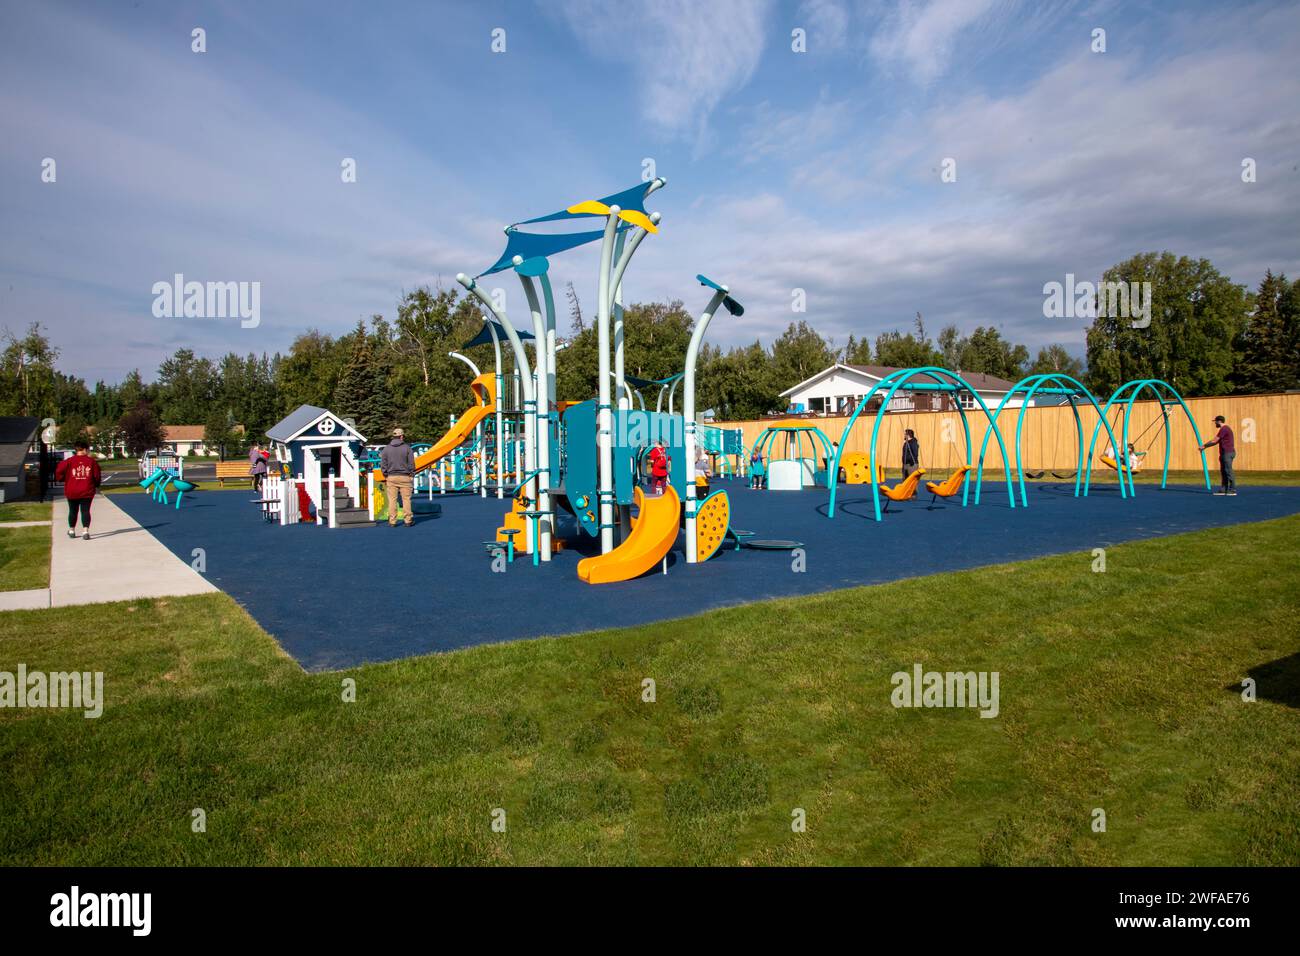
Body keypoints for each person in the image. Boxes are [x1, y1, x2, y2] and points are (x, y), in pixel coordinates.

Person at [55, 440, 101, 540]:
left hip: (72, 490)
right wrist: (96, 484)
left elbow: (59, 471)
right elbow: (96, 476)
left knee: (72, 511)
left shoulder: (68, 461)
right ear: (85, 449)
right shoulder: (91, 462)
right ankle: (85, 531)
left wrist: (63, 479)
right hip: (87, 490)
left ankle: (71, 530)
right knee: (85, 511)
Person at [381, 426, 416, 525]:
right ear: (401, 436)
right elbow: (411, 463)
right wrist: (412, 474)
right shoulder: (407, 448)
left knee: (392, 500)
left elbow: (383, 463)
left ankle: (392, 520)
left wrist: (385, 474)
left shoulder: (386, 449)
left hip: (391, 477)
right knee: (406, 499)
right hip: (405, 476)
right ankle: (408, 520)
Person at [1200, 415, 1236, 495]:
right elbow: (1216, 442)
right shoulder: (1223, 430)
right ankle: (1224, 489)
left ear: (1219, 421)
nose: (1215, 423)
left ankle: (1232, 489)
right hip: (1224, 453)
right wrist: (1205, 447)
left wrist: (1204, 445)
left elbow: (1214, 440)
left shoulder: (1224, 429)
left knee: (1228, 470)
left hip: (1228, 452)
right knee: (1223, 471)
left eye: (1215, 421)